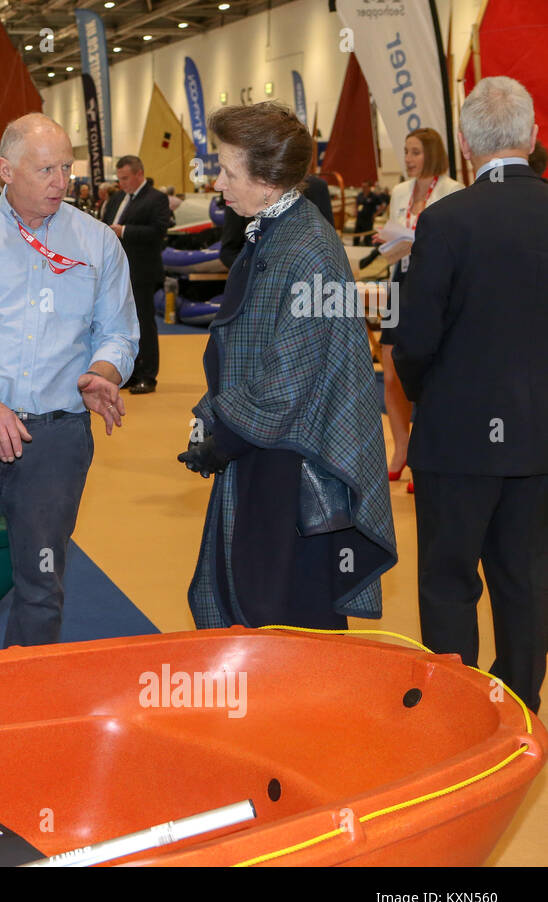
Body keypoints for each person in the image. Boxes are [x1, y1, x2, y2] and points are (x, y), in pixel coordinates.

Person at [0, 112, 139, 661]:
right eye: (46, 169)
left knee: (42, 586)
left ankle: (21, 706)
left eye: (66, 167)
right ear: (5, 171)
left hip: (56, 439)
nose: (62, 182)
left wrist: (101, 373)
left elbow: (119, 333)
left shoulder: (97, 243)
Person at [182, 102, 396, 630]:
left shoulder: (307, 248)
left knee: (281, 616)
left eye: (229, 171)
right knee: (261, 604)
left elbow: (288, 377)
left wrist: (224, 438)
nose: (219, 182)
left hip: (292, 462)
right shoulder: (278, 231)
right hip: (271, 448)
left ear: (270, 179)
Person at [393, 76, 547, 712]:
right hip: (538, 437)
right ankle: (518, 704)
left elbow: (413, 339)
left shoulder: (446, 221)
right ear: (534, 137)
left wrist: (434, 398)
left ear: (463, 144)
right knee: (526, 579)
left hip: (456, 436)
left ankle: (458, 711)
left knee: (449, 581)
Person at [374, 128, 463, 486]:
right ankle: (401, 448)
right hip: (400, 283)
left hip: (434, 286)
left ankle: (428, 453)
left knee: (428, 369)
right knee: (391, 364)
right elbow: (396, 232)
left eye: (415, 152)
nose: (408, 159)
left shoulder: (453, 191)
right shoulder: (398, 191)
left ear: (432, 153)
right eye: (406, 151)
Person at [109, 155, 172, 393]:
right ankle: (131, 372)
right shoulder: (117, 199)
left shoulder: (157, 198)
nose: (122, 182)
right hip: (119, 272)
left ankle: (148, 374)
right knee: (123, 324)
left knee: (144, 324)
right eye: (120, 178)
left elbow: (158, 231)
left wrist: (123, 230)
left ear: (139, 174)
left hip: (143, 271)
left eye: (125, 178)